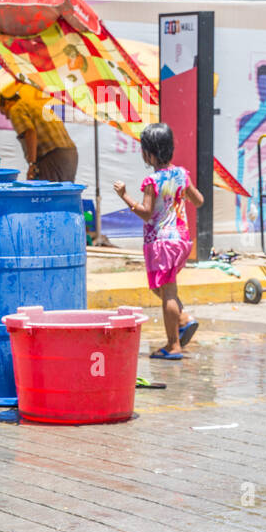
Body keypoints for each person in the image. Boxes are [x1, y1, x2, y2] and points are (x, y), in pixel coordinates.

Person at [113, 122, 204, 359]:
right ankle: (182, 320)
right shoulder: (182, 174)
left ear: (149, 153)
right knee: (159, 288)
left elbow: (145, 212)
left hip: (162, 243)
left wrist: (125, 197)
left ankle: (173, 345)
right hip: (181, 240)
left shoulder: (152, 182)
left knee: (168, 293)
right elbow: (199, 201)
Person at [0, 80, 78, 182]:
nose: (7, 117)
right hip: (70, 153)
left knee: (48, 194)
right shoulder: (33, 104)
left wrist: (32, 164)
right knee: (65, 193)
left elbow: (29, 133)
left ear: (8, 103)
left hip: (51, 155)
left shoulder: (15, 108)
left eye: (4, 112)